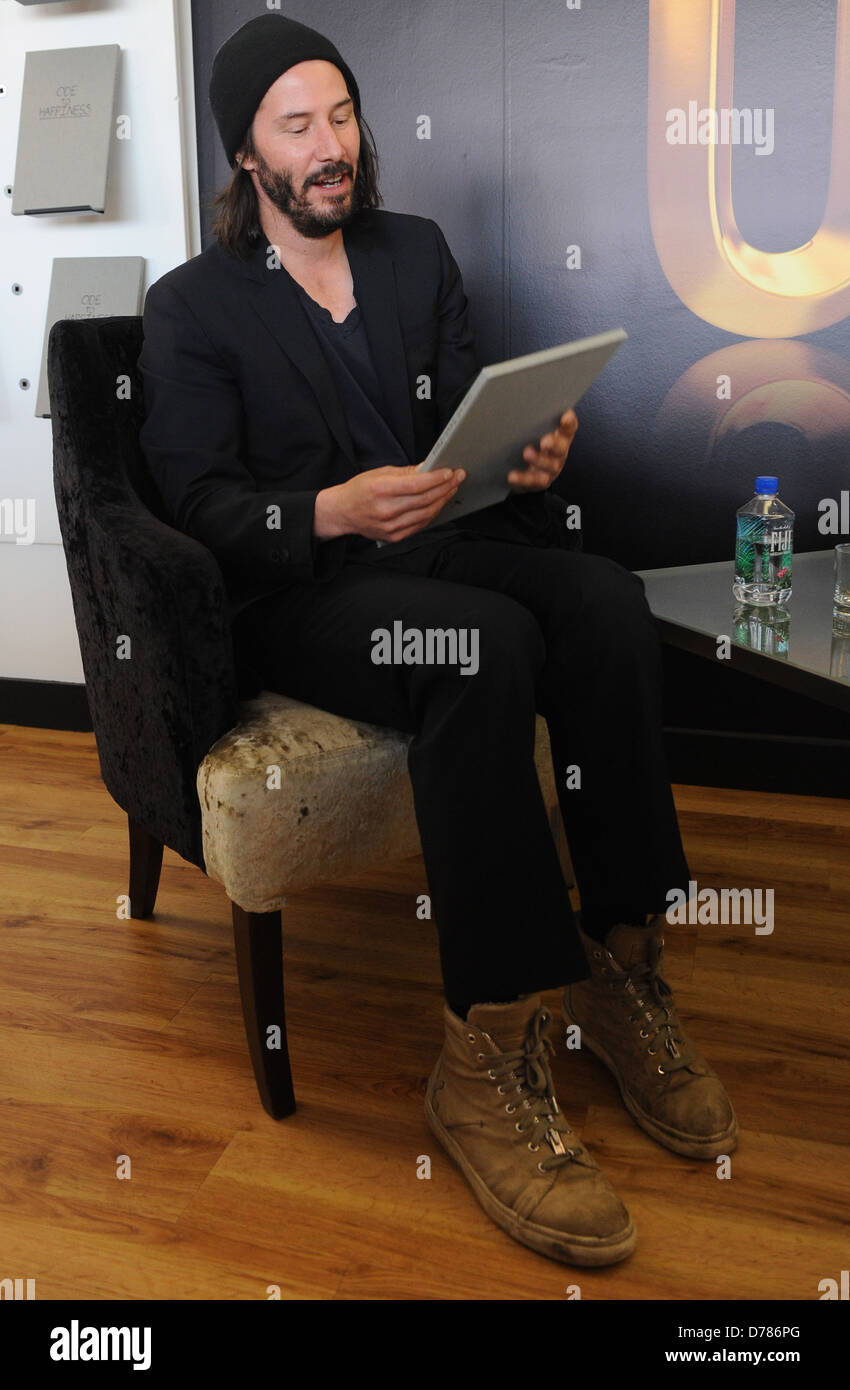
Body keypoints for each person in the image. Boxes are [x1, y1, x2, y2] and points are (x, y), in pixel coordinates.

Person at [138, 13, 737, 1269]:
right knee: (475, 647)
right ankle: (483, 1052)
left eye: (341, 115)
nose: (329, 146)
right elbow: (191, 503)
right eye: (295, 127)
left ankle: (618, 960)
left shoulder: (416, 254)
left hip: (441, 545)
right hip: (305, 591)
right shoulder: (191, 307)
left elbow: (468, 437)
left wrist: (524, 460)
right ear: (246, 157)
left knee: (605, 604)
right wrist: (325, 509)